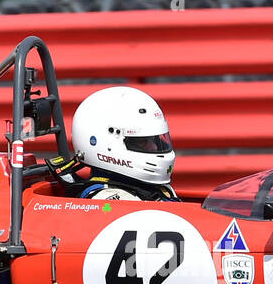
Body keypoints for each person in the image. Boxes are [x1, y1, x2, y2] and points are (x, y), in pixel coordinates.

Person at [49, 86, 179, 201]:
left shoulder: (159, 189)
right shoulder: (106, 201)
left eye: (156, 140)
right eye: (143, 142)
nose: (155, 147)